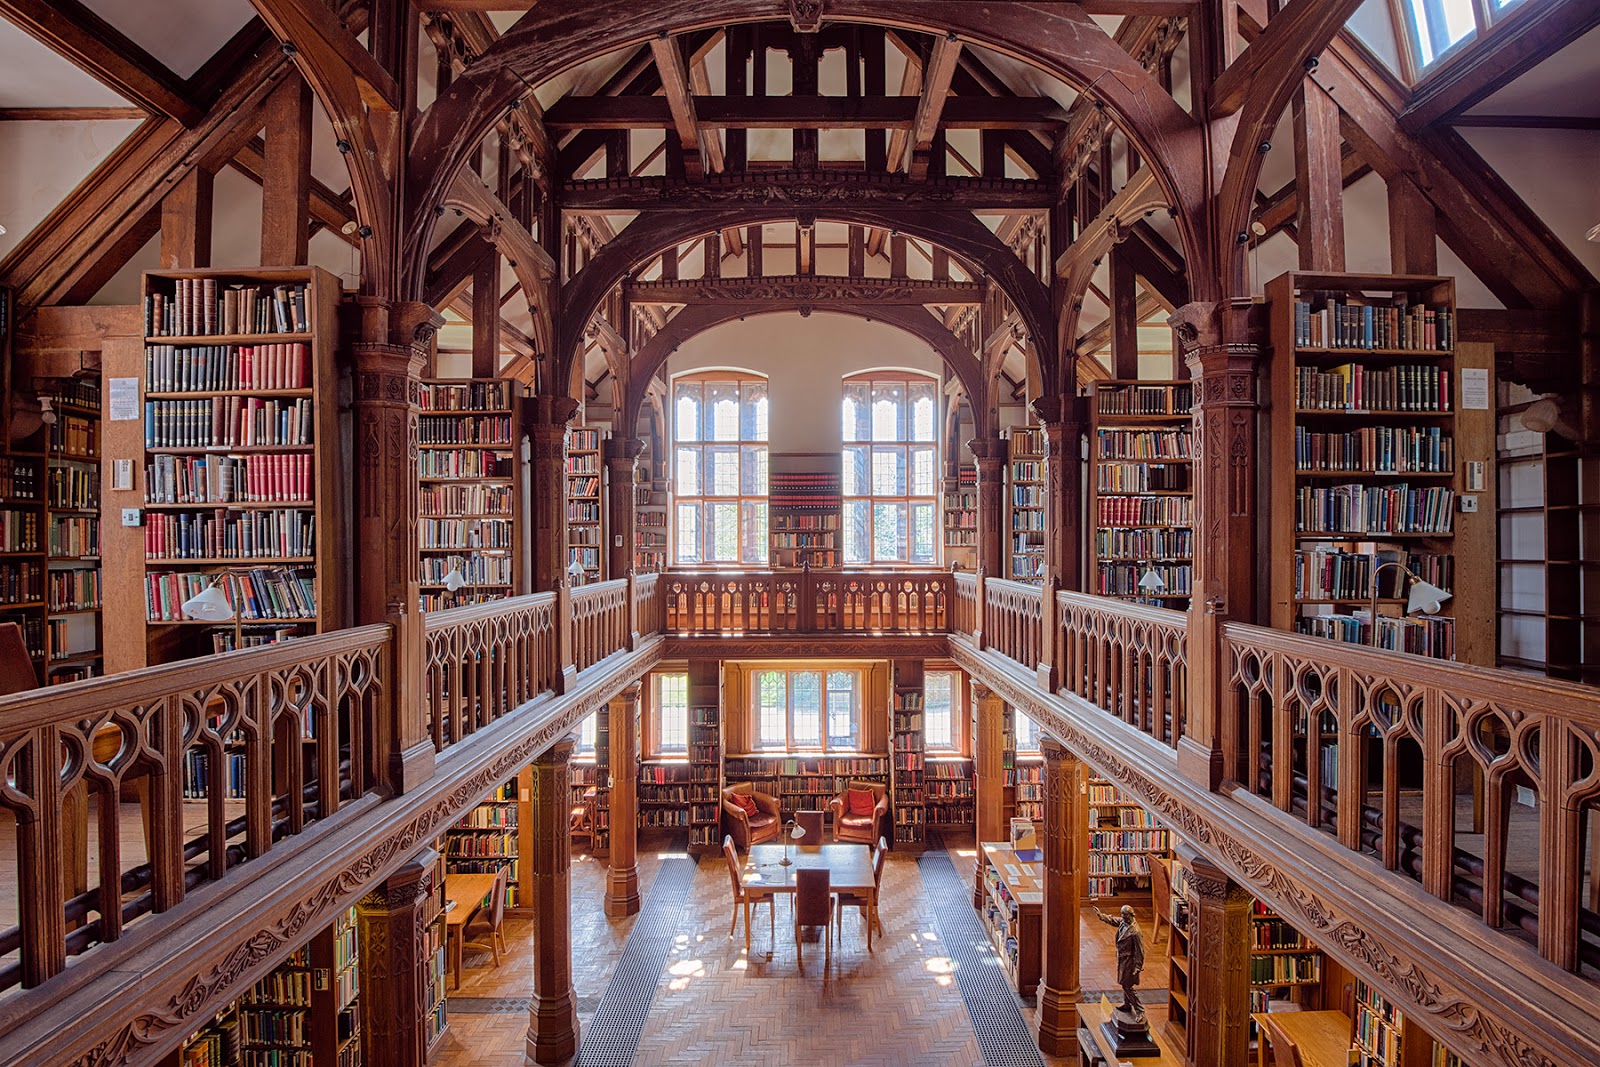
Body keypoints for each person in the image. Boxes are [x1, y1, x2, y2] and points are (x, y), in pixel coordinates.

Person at [1094, 904, 1146, 1017]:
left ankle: (1140, 1010)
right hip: (1123, 959)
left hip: (1129, 962)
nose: (1122, 917)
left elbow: (1140, 951)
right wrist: (1101, 915)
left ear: (1131, 915)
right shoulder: (1124, 922)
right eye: (1122, 914)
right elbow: (1113, 920)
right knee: (1124, 983)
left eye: (1125, 915)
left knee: (1127, 986)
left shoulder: (1135, 932)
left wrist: (1138, 967)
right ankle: (1127, 1004)